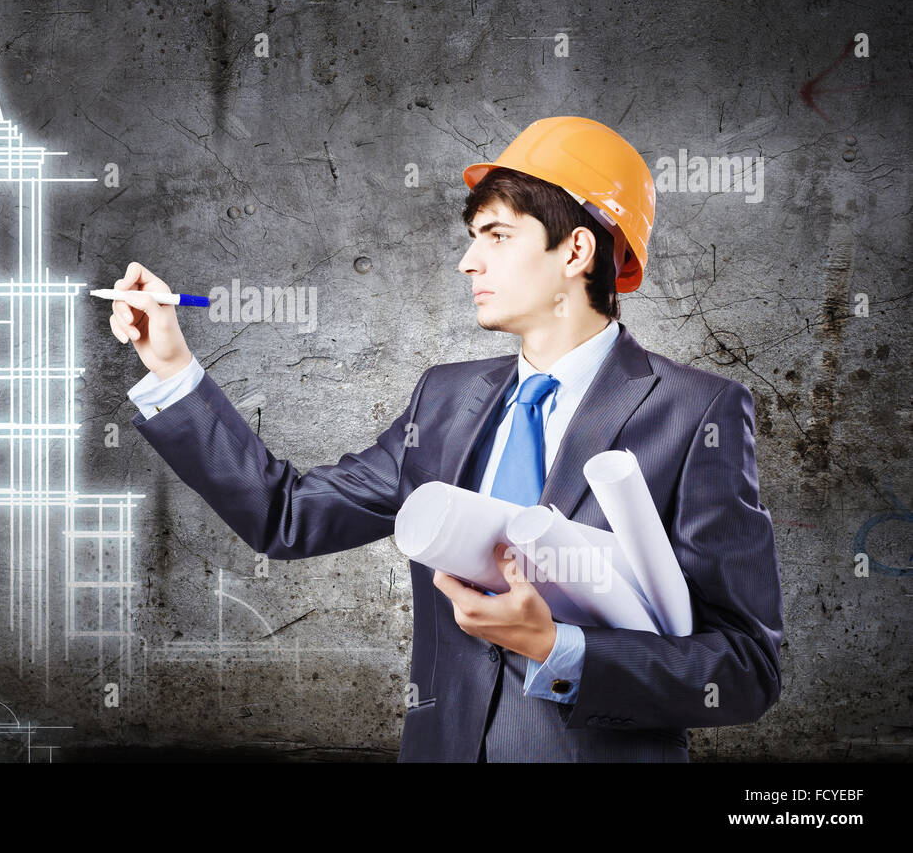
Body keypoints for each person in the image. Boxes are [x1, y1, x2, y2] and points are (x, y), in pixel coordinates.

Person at [107, 115, 784, 762]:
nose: (467, 261)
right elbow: (286, 516)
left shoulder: (698, 413)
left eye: (496, 235)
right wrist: (172, 366)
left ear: (575, 250)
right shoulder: (445, 399)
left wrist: (559, 647)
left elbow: (747, 668)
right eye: (472, 237)